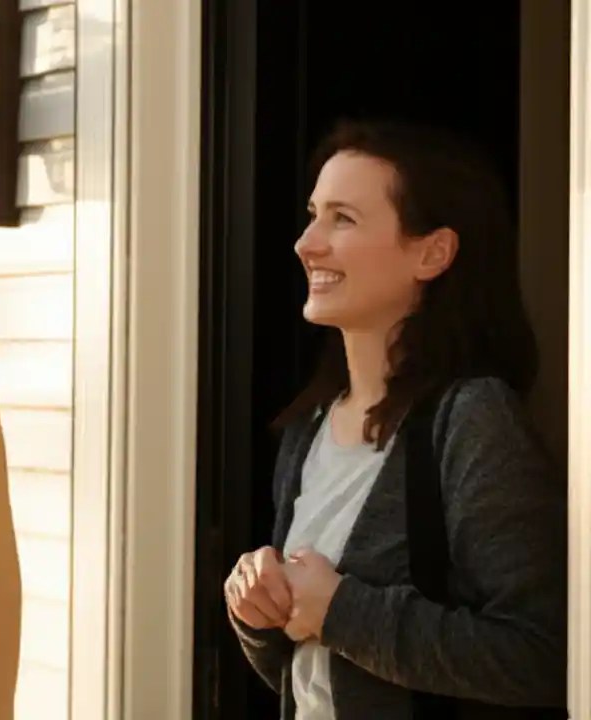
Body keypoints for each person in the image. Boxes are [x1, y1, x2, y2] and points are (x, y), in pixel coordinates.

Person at [224, 120, 568, 718]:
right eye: (313, 214)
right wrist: (261, 613)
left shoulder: (474, 423)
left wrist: (339, 610)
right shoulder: (307, 430)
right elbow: (312, 674)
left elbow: (542, 658)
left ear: (432, 253)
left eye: (343, 219)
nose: (307, 243)